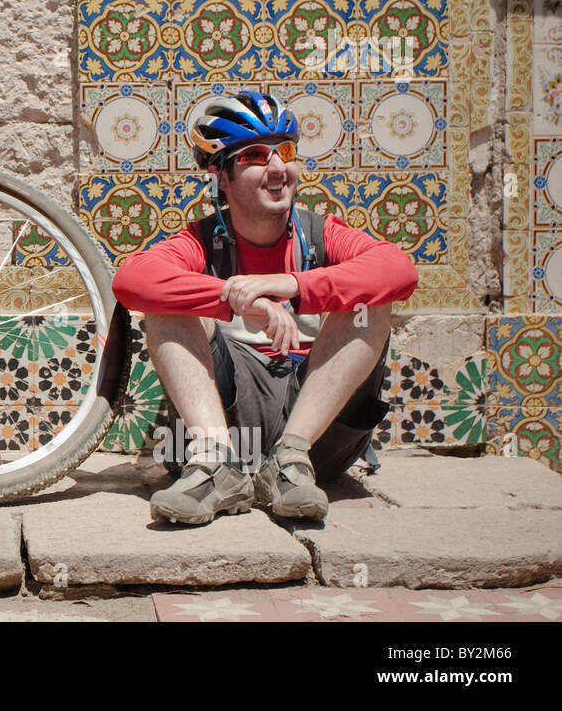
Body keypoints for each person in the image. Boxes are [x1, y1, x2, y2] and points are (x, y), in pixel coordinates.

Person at [112, 90, 418, 525]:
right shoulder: (200, 242)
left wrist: (292, 285)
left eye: (286, 152)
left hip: (319, 434)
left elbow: (399, 270)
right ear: (220, 177)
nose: (278, 169)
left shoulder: (321, 233)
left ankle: (289, 461)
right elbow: (131, 282)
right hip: (233, 422)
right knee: (167, 302)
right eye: (255, 156)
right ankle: (214, 467)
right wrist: (234, 300)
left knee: (371, 302)